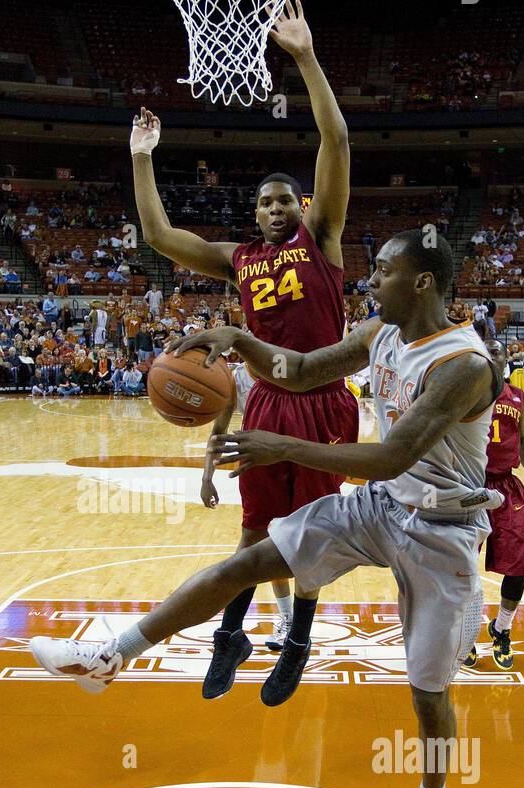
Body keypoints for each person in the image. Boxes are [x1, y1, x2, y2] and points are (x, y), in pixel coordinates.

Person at [30, 229, 505, 788]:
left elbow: (392, 454)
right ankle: (112, 656)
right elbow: (306, 370)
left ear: (422, 282)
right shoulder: (379, 333)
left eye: (386, 271)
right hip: (384, 506)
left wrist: (283, 447)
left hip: (442, 531)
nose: (372, 281)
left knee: (427, 690)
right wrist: (239, 341)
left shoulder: (465, 366)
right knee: (247, 562)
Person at [129, 0, 357, 706]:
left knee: (311, 538)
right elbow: (162, 238)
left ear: (304, 205)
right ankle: (232, 634)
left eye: (285, 198)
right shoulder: (238, 259)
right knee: (255, 531)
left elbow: (339, 144)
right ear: (254, 214)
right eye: (264, 202)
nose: (275, 207)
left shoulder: (321, 238)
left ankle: (297, 642)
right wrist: (142, 160)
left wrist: (305, 58)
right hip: (265, 402)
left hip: (321, 400)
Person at [463, 342, 524, 672]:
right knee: (464, 563)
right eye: (485, 353)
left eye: (496, 352)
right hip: (472, 484)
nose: (491, 357)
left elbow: (523, 439)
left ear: (504, 361)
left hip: (507, 485)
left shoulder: (519, 397)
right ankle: (467, 630)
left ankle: (502, 627)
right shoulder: (466, 395)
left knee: (519, 561)